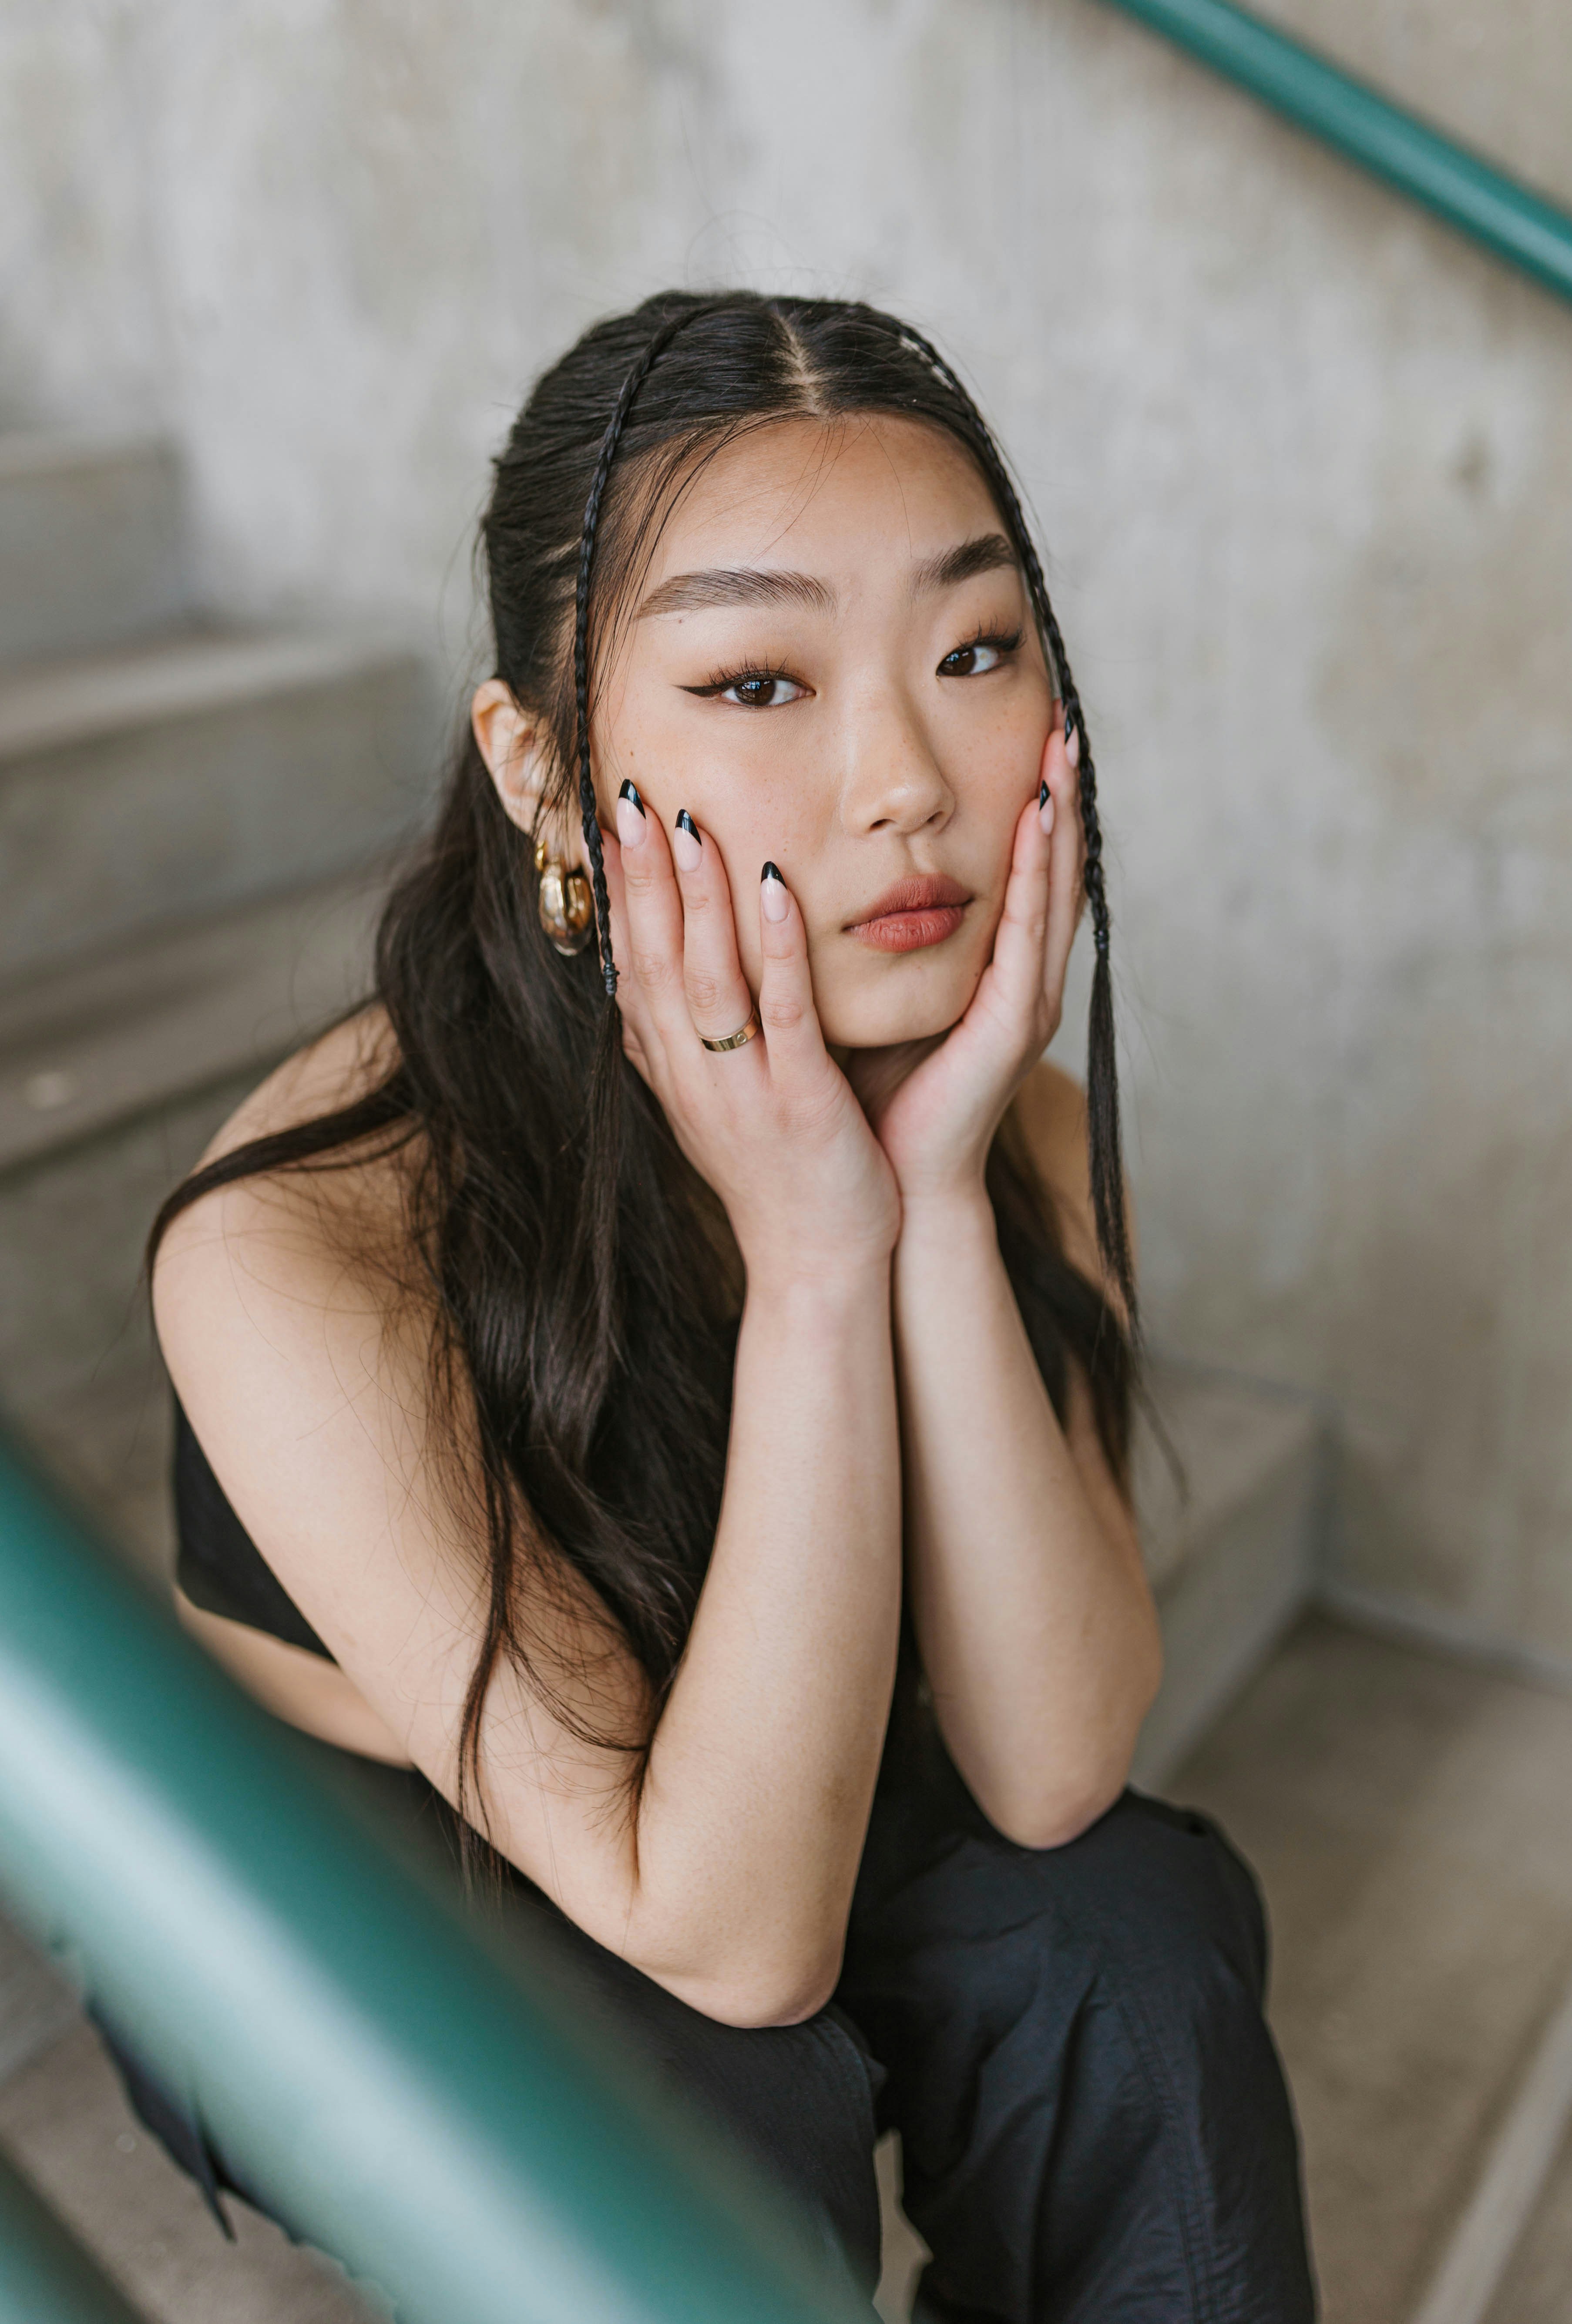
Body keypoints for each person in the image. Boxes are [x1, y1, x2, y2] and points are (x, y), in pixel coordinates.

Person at [136, 291, 1314, 2320]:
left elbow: (1052, 1768)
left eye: (973, 651)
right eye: (760, 679)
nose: (905, 783)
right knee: (705, 2086)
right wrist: (813, 1252)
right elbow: (735, 1939)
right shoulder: (308, 1244)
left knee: (1135, 1933)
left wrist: (930, 1196)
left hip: (775, 1760)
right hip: (370, 1868)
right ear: (542, 771)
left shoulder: (997, 1109)